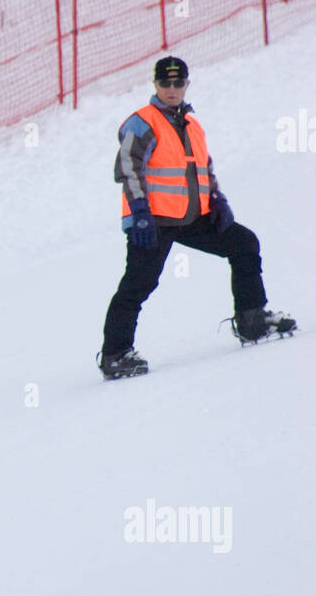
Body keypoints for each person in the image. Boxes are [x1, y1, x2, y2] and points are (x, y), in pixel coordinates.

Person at [98, 56, 296, 379]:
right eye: (165, 83)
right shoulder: (142, 122)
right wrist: (140, 212)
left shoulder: (192, 124)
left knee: (243, 243)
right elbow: (127, 167)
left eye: (178, 83)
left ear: (187, 84)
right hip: (154, 221)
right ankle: (115, 355)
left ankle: (253, 320)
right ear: (155, 85)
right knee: (139, 283)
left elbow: (202, 167)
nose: (172, 89)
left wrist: (216, 198)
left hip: (192, 217)